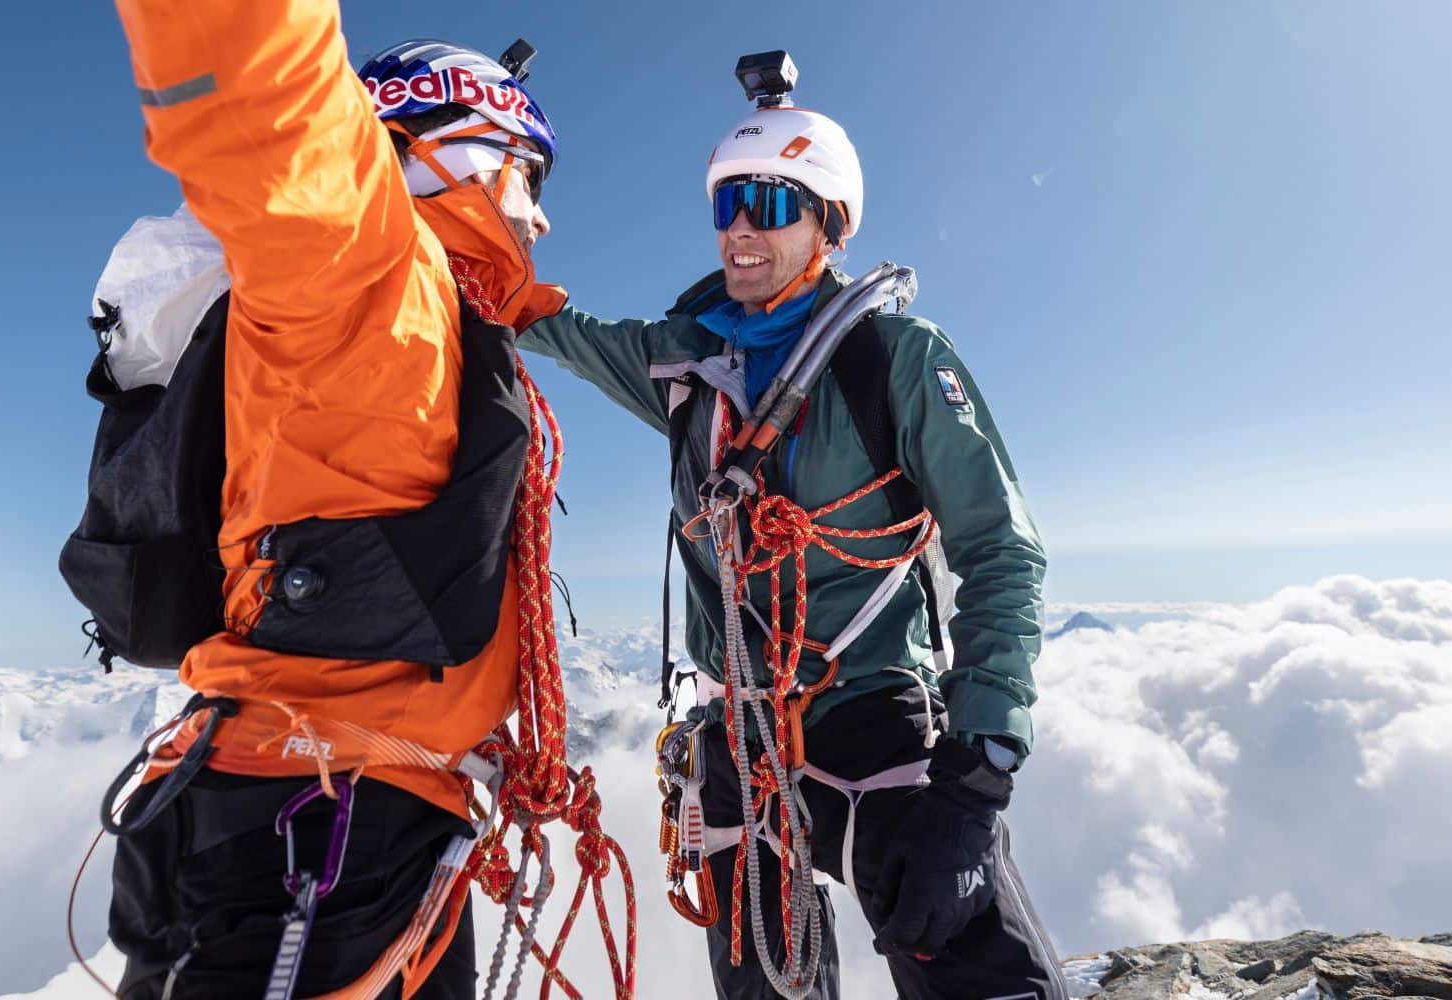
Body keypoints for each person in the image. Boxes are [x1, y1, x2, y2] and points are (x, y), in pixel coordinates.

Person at [518, 69, 1065, 1000]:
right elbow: (552, 325)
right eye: (726, 203)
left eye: (770, 203)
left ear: (830, 225)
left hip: (873, 710)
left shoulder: (894, 359)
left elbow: (1000, 550)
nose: (739, 227)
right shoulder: (683, 363)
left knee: (985, 975)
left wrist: (977, 777)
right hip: (736, 728)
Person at [96, 2, 582, 996]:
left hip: (364, 819)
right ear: (445, 152)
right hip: (307, 837)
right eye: (527, 174)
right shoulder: (360, 265)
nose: (541, 217)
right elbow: (262, 93)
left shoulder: (433, 309)